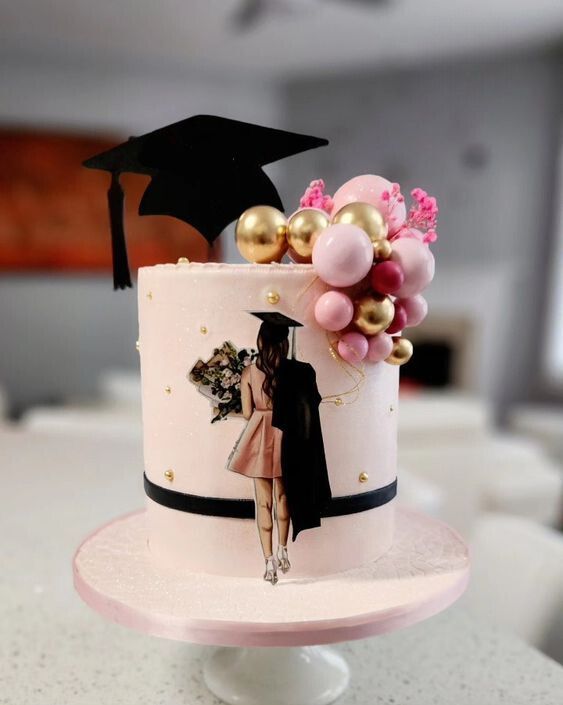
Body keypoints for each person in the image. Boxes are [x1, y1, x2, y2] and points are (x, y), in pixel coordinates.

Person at [228, 320, 291, 585]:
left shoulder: (249, 372)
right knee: (284, 497)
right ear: (284, 343)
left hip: (260, 434)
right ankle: (283, 550)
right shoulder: (291, 371)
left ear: (261, 341)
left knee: (263, 503)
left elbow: (246, 413)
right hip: (286, 433)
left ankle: (268, 561)